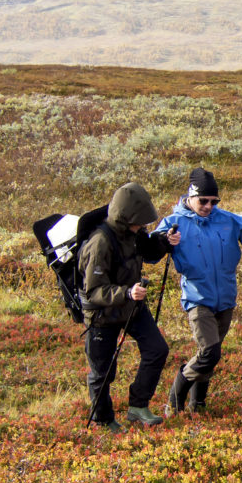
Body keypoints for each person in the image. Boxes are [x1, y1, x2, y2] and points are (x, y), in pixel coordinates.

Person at [155, 167, 242, 415]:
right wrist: (164, 240)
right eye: (204, 201)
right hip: (197, 299)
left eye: (214, 201)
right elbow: (150, 249)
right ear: (190, 196)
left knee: (210, 354)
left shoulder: (229, 220)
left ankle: (197, 404)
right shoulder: (173, 224)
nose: (209, 206)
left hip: (226, 299)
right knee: (210, 351)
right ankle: (176, 395)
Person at [80, 181, 180, 433]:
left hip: (131, 307)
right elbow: (93, 290)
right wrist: (126, 292)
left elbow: (147, 250)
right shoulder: (100, 242)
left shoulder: (132, 234)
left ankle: (138, 406)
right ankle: (103, 420)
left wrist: (165, 242)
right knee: (103, 373)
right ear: (126, 218)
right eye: (140, 222)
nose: (143, 227)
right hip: (102, 314)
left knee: (157, 350)